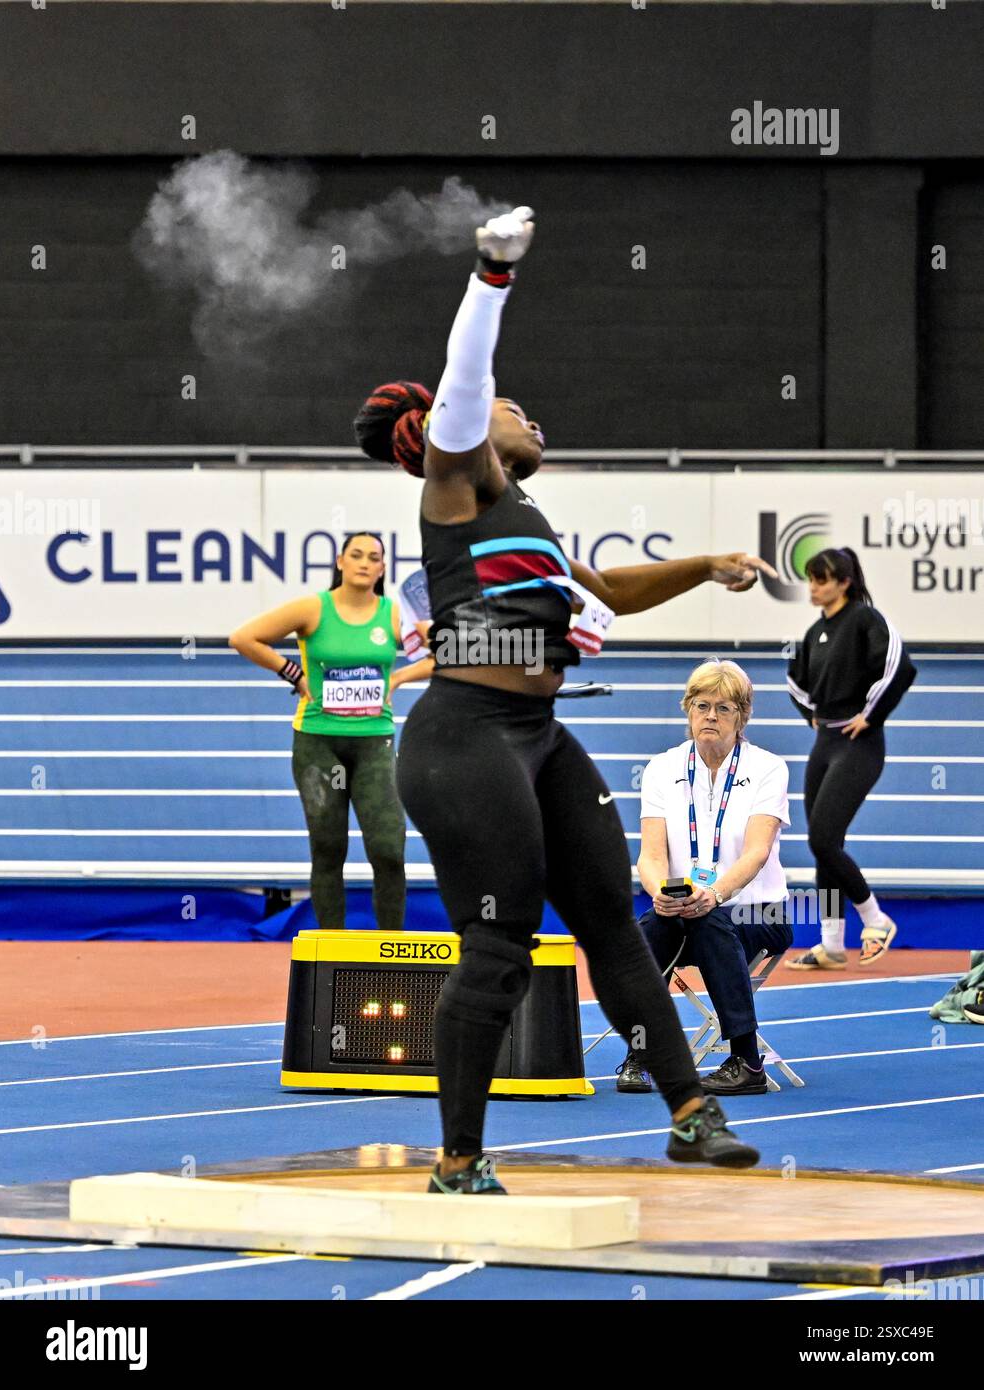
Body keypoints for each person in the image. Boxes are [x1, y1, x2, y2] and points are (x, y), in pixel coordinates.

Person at [353, 204, 778, 1194]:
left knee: (613, 928)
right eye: (510, 408)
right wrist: (491, 273)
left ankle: (691, 1111)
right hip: (462, 739)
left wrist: (707, 563)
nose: (523, 412)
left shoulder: (529, 515)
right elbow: (465, 378)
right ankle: (458, 1159)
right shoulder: (455, 482)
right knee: (499, 946)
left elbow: (614, 590)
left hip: (538, 737)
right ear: (453, 433)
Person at [229, 532, 431, 933]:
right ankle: (331, 951)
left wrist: (400, 677)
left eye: (373, 557)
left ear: (383, 568)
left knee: (388, 850)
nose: (363, 562)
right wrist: (291, 671)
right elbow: (243, 638)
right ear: (340, 561)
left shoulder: (394, 615)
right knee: (327, 849)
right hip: (318, 742)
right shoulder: (314, 609)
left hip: (374, 741)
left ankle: (392, 948)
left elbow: (449, 652)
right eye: (355, 554)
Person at [618, 660, 792, 1097]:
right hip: (682, 913)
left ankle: (747, 1061)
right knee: (651, 929)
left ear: (743, 717)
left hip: (758, 911)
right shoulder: (661, 768)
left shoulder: (769, 769)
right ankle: (641, 1055)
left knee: (710, 921)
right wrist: (661, 892)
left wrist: (714, 894)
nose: (710, 716)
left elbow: (757, 850)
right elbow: (651, 855)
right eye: (701, 705)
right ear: (687, 710)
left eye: (724, 708)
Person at [786, 547, 916, 970]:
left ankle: (875, 919)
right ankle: (831, 945)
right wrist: (811, 714)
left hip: (859, 744)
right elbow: (794, 680)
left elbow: (899, 667)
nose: (814, 588)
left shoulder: (864, 619)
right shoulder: (813, 632)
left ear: (844, 582)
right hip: (825, 742)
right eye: (810, 579)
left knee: (821, 839)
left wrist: (871, 714)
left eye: (822, 580)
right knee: (827, 847)